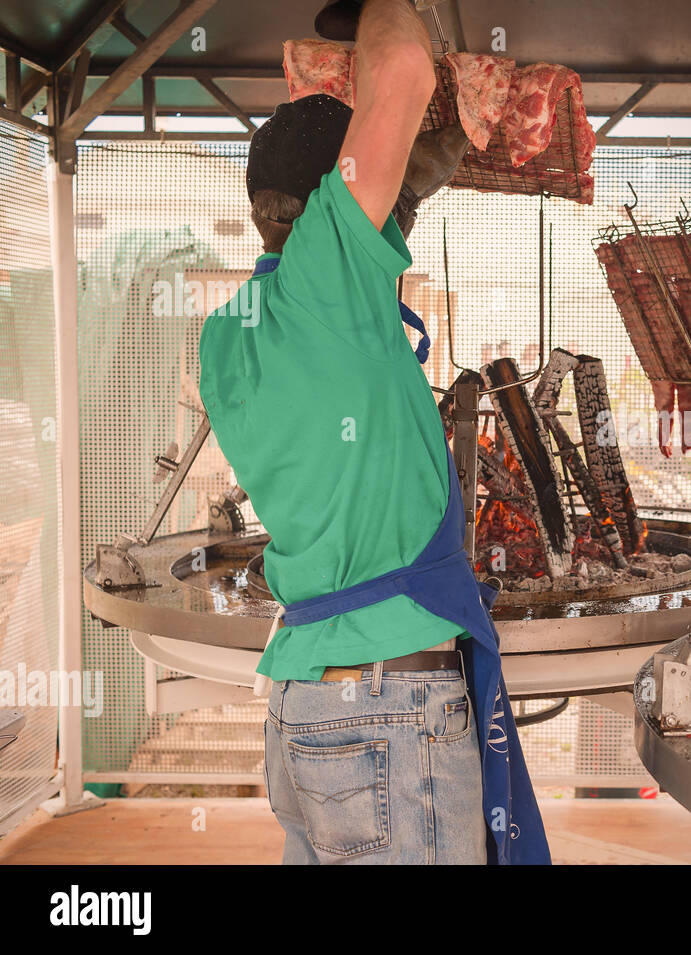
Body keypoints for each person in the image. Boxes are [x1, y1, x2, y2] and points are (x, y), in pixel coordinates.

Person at [198, 0, 548, 865]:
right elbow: (401, 73)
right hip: (390, 719)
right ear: (334, 208)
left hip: (306, 708)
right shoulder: (330, 275)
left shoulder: (229, 333)